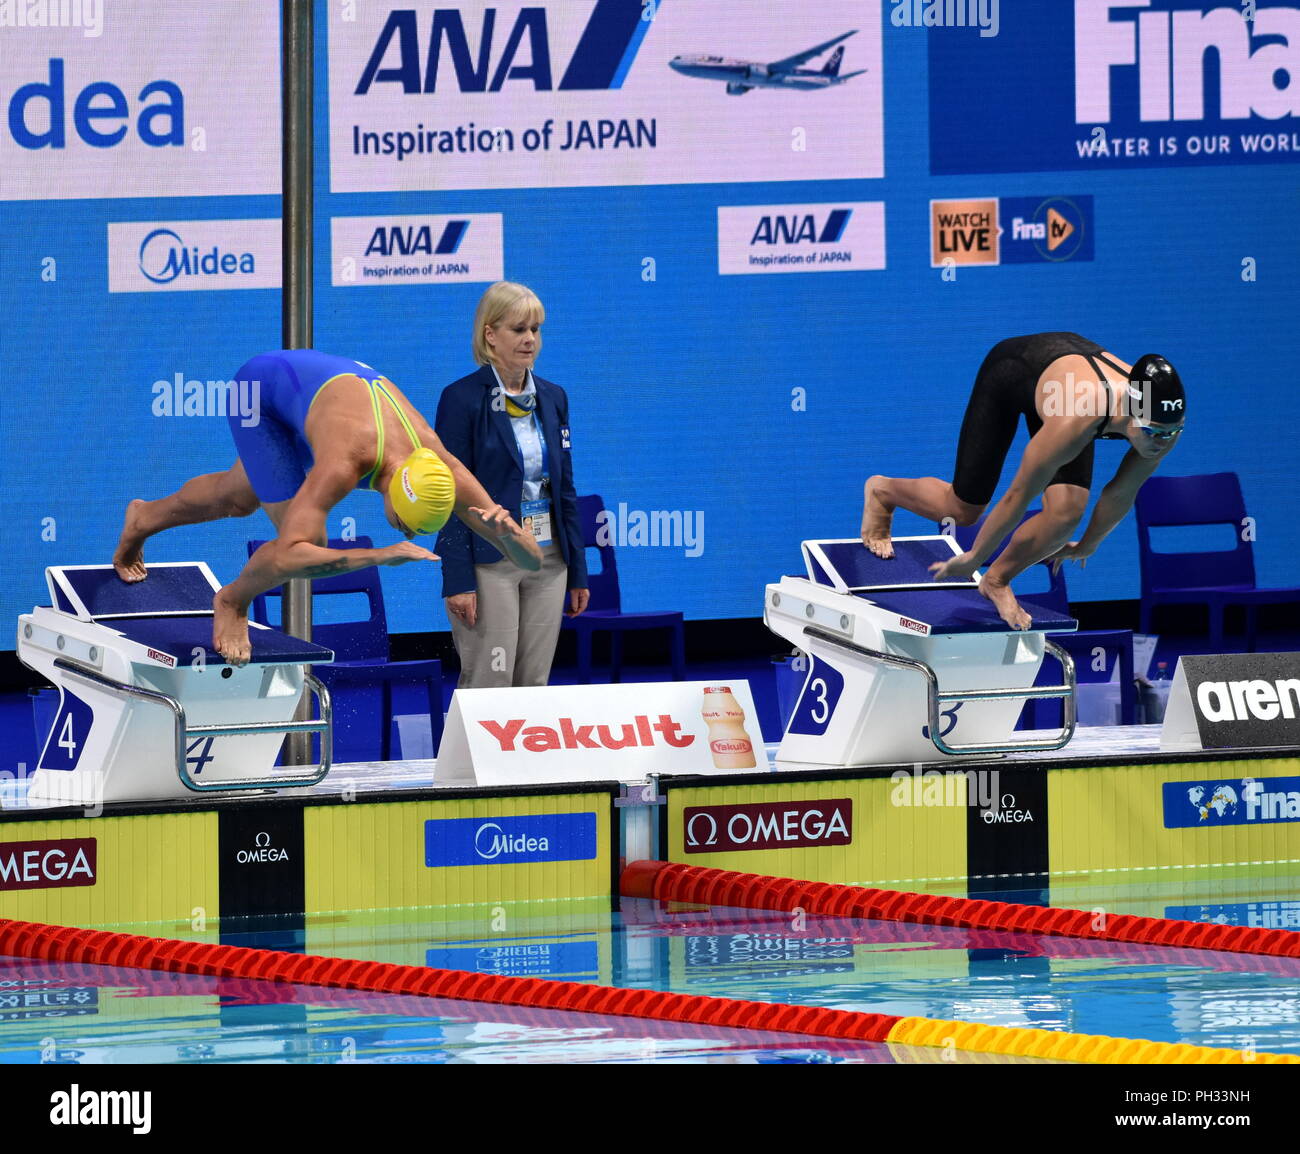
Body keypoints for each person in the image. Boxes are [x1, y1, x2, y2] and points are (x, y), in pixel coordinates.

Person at [112, 349, 542, 665]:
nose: (406, 535)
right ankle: (232, 601)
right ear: (393, 490)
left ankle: (145, 517)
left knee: (238, 496)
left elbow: (532, 562)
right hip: (260, 391)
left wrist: (512, 538)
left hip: (316, 397)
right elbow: (287, 555)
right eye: (405, 525)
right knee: (304, 546)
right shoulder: (344, 463)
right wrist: (380, 555)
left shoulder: (442, 467)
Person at [860, 333, 1186, 629]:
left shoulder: (1165, 423)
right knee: (962, 510)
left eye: (1169, 433)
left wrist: (1089, 543)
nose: (1160, 441)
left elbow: (1121, 492)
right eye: (1151, 431)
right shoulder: (1078, 418)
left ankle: (996, 581)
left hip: (1065, 382)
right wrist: (974, 556)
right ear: (1130, 412)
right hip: (1014, 372)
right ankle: (882, 491)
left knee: (1065, 515)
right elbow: (1018, 495)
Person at [435, 282, 589, 687]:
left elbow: (565, 488)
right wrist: (458, 579)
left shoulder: (554, 397)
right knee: (491, 679)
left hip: (549, 558)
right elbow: (450, 495)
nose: (530, 340)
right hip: (491, 560)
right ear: (490, 334)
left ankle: (523, 754)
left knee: (534, 683)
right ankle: (467, 754)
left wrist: (578, 571)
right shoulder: (462, 399)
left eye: (535, 330)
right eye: (518, 329)